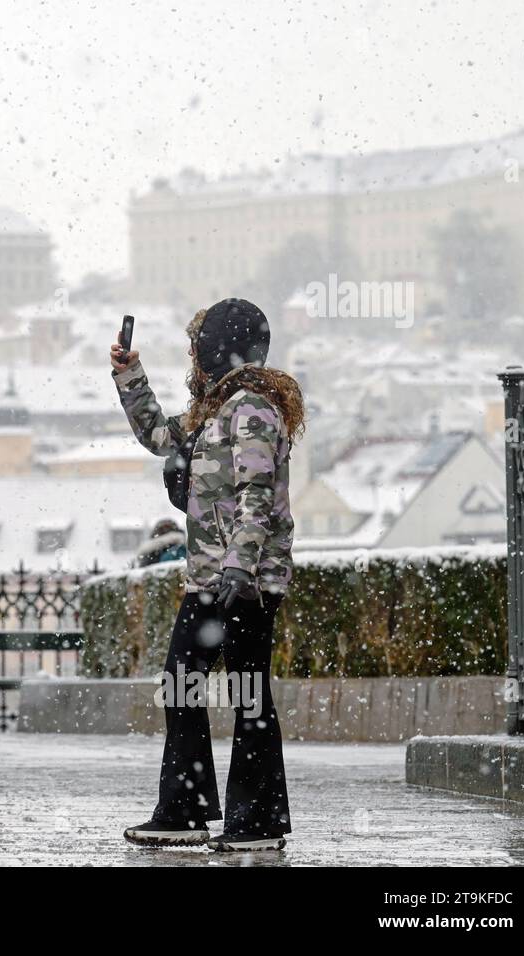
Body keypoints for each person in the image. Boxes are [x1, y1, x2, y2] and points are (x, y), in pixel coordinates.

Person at [111, 298, 303, 853]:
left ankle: (258, 824)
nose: (191, 356)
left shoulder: (254, 410)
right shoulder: (212, 411)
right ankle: (186, 810)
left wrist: (240, 567)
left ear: (221, 345)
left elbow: (257, 496)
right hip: (209, 578)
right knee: (181, 682)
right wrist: (129, 373)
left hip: (245, 579)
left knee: (248, 693)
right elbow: (157, 436)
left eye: (196, 345)